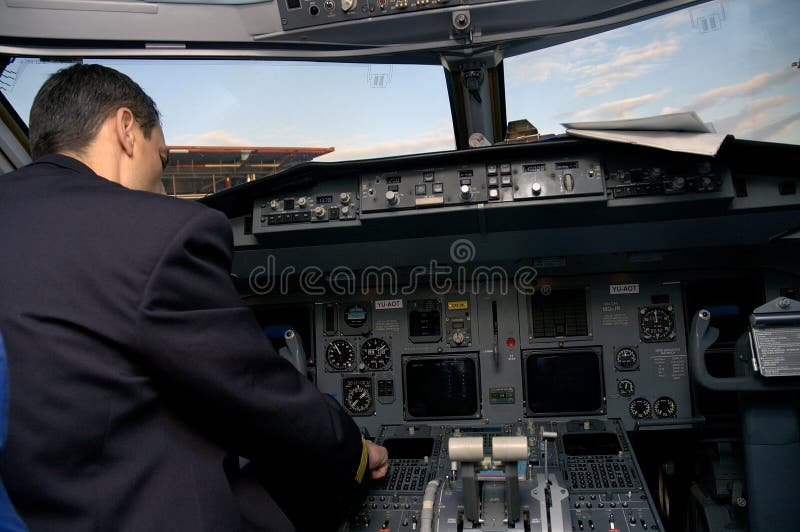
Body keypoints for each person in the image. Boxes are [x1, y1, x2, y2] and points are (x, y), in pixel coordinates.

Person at [0, 63, 387, 531]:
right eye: (161, 161)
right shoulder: (152, 231)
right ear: (126, 129)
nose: (162, 189)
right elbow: (255, 395)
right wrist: (356, 452)